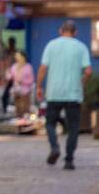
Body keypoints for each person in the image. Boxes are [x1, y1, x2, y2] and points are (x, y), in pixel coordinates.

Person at [36, 20, 93, 170]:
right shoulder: (81, 47)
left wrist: (39, 86)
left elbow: (43, 68)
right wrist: (82, 81)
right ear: (75, 33)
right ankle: (69, 160)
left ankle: (55, 147)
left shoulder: (51, 45)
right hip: (74, 93)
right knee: (73, 128)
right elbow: (88, 71)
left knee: (50, 123)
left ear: (61, 31)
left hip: (54, 92)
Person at [7, 51, 35, 117]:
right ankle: (19, 123)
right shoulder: (14, 66)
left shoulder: (28, 67)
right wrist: (8, 75)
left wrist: (22, 81)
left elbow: (31, 80)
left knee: (25, 110)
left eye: (18, 56)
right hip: (16, 91)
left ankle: (25, 123)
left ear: (23, 57)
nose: (16, 57)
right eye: (16, 56)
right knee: (18, 109)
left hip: (25, 92)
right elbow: (10, 76)